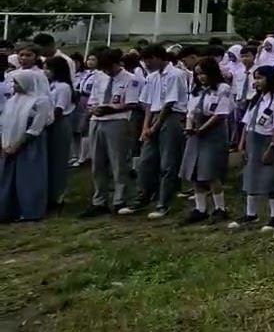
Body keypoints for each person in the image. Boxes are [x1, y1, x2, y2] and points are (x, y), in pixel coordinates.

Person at [122, 45, 189, 219]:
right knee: (146, 160)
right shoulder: (151, 77)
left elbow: (169, 103)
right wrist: (146, 127)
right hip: (154, 116)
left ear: (158, 58)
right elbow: (148, 104)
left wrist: (156, 126)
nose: (147, 64)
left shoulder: (175, 74)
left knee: (167, 162)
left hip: (171, 117)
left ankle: (164, 202)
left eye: (149, 60)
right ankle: (143, 196)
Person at [81, 48, 140, 217]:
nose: (106, 71)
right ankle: (99, 200)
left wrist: (111, 109)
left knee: (118, 162)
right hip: (97, 121)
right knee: (97, 163)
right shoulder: (99, 77)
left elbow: (132, 103)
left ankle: (120, 198)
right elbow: (92, 100)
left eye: (108, 68)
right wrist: (93, 110)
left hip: (117, 121)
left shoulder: (130, 79)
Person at [179, 58, 234, 224]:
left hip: (213, 131)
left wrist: (203, 129)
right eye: (198, 74)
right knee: (195, 171)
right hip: (196, 132)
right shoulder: (196, 91)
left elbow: (221, 113)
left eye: (203, 73)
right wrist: (189, 127)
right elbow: (190, 112)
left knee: (211, 171)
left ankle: (220, 208)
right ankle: (200, 208)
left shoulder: (222, 88)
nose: (201, 77)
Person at [233, 64, 274, 231]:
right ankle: (251, 214)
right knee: (251, 176)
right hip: (252, 140)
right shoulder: (256, 99)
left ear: (270, 79)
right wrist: (242, 144)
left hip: (267, 141)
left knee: (270, 178)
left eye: (260, 78)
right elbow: (246, 123)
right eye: (255, 78)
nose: (256, 82)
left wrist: (272, 146)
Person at [0, 69, 54, 222]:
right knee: (8, 176)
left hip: (30, 143)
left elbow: (37, 126)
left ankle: (30, 210)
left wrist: (19, 144)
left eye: (17, 83)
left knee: (28, 176)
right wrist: (5, 144)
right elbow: (4, 123)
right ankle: (9, 209)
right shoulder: (12, 101)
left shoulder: (40, 101)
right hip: (10, 143)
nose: (14, 86)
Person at [42, 56, 75, 209]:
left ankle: (58, 195)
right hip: (49, 124)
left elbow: (59, 109)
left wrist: (47, 122)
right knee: (49, 160)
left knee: (58, 160)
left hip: (58, 124)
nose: (45, 71)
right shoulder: (51, 85)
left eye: (47, 68)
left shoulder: (63, 87)